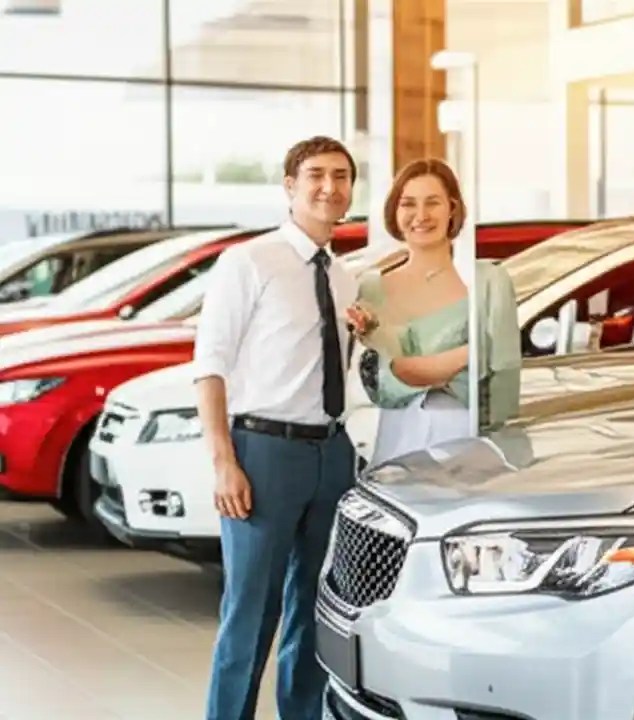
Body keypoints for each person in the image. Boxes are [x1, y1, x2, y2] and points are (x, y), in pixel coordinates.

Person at [193, 135, 360, 720]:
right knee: (249, 613)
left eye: (341, 177)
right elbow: (209, 366)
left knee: (315, 611)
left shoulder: (346, 277)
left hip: (331, 456)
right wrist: (223, 461)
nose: (329, 187)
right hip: (263, 452)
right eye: (315, 174)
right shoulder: (249, 261)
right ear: (290, 186)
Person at [346, 158, 520, 466]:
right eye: (409, 204)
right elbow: (382, 385)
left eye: (433, 203)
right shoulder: (371, 287)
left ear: (452, 208)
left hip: (471, 448)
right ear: (394, 212)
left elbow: (502, 391)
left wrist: (416, 367)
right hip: (397, 443)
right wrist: (468, 355)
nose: (421, 216)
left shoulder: (489, 281)